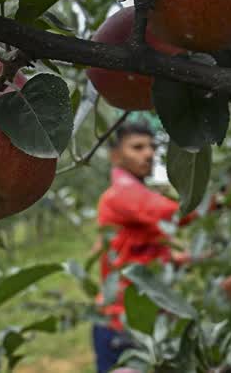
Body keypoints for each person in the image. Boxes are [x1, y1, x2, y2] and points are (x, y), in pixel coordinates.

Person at [92, 122, 192, 372]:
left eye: (151, 147)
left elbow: (145, 248)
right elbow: (170, 212)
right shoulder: (121, 194)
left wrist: (181, 258)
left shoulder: (135, 195)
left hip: (145, 317)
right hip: (121, 322)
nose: (148, 153)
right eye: (137, 147)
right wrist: (221, 200)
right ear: (115, 155)